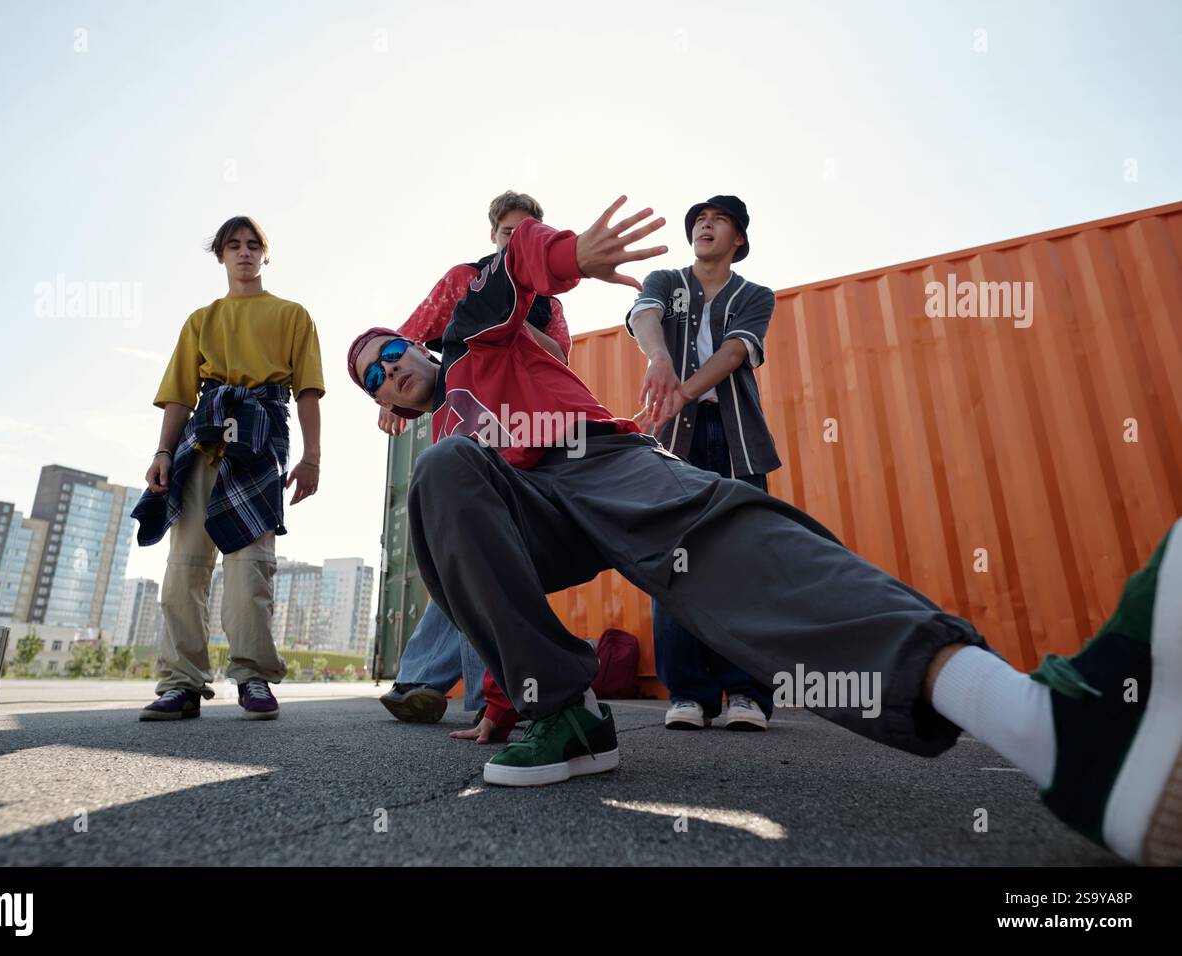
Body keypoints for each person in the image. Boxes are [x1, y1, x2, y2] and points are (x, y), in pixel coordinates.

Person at [345, 196, 1181, 867]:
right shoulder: (445, 442)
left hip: (589, 458)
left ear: (413, 338)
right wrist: (505, 698)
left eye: (389, 350)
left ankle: (1036, 723)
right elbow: (483, 589)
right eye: (376, 379)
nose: (392, 369)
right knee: (441, 480)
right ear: (385, 402)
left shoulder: (468, 330)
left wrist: (565, 258)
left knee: (728, 538)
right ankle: (561, 713)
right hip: (527, 516)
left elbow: (512, 262)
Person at [377, 191, 571, 741]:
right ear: (493, 236)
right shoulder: (463, 280)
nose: (517, 239)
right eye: (508, 231)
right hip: (464, 435)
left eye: (529, 229)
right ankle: (430, 684)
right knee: (462, 554)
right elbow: (404, 338)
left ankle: (467, 691)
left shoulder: (547, 301)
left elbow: (558, 359)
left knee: (488, 557)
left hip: (528, 437)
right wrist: (391, 399)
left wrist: (509, 321)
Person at [131, 216, 324, 722]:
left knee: (250, 570)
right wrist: (161, 454)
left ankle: (253, 676)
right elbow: (177, 397)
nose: (244, 252)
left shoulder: (292, 314)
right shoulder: (201, 320)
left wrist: (312, 457)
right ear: (220, 255)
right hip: (202, 442)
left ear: (266, 254)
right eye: (233, 245)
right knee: (185, 568)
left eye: (253, 245)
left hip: (259, 447)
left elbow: (307, 391)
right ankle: (181, 684)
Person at [629, 194, 780, 731]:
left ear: (738, 238)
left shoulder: (755, 295)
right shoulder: (665, 281)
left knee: (744, 560)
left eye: (717, 220)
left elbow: (736, 353)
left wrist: (680, 393)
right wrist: (660, 359)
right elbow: (643, 314)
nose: (704, 225)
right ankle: (688, 693)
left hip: (738, 442)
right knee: (673, 559)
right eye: (698, 220)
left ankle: (746, 693)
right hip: (675, 441)